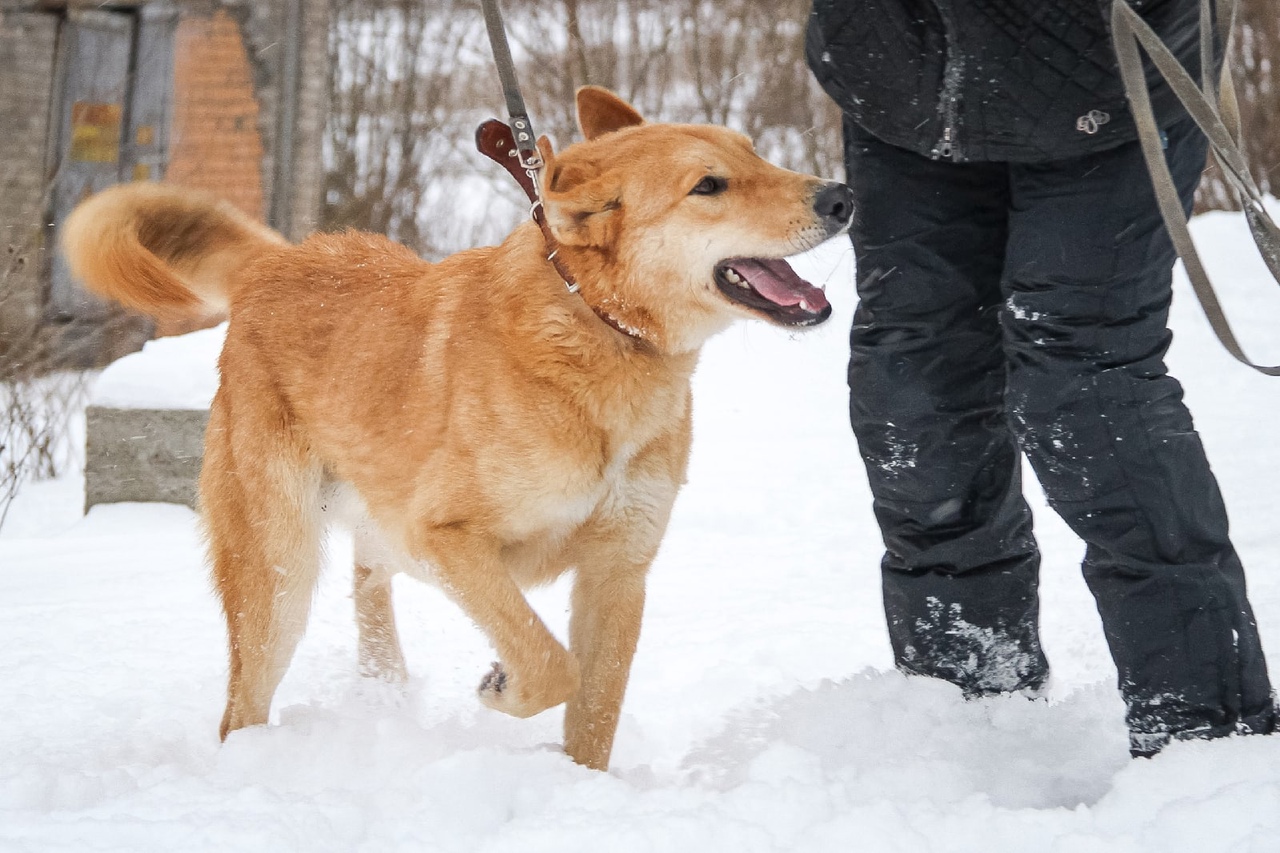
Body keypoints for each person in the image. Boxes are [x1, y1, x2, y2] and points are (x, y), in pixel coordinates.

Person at [805, 0, 1276, 756]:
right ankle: (969, 697)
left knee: (1084, 387)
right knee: (917, 386)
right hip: (904, 78)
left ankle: (1204, 731)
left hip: (1108, 81)